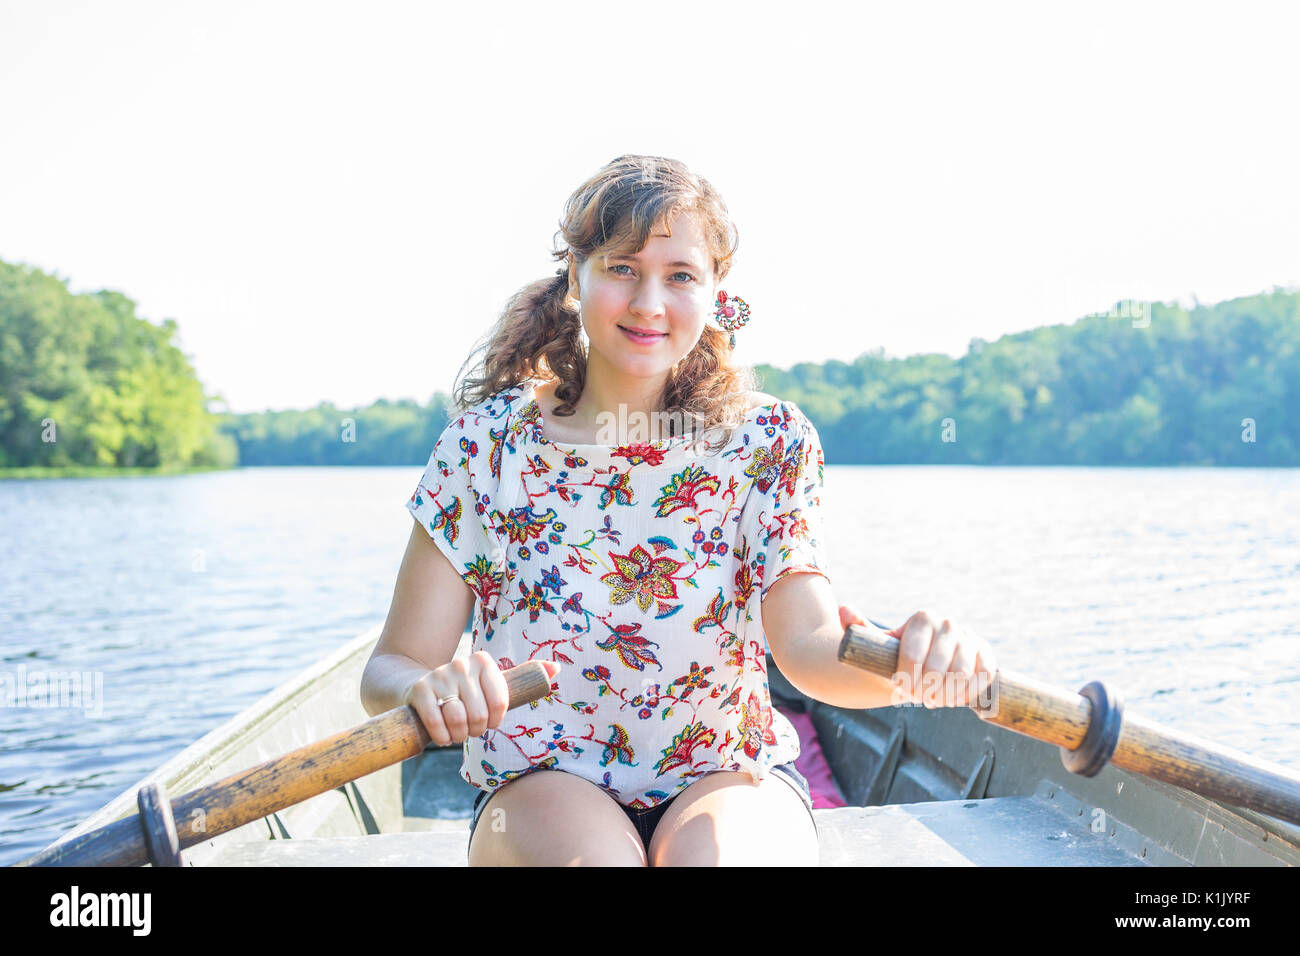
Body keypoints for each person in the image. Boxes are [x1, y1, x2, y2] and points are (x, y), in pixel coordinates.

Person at [359, 154, 997, 866]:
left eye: (681, 276)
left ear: (717, 291)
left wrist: (916, 663)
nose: (649, 303)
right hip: (542, 781)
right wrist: (427, 686)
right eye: (622, 267)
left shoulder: (769, 440)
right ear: (577, 278)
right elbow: (391, 666)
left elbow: (811, 650)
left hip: (728, 771)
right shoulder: (487, 445)